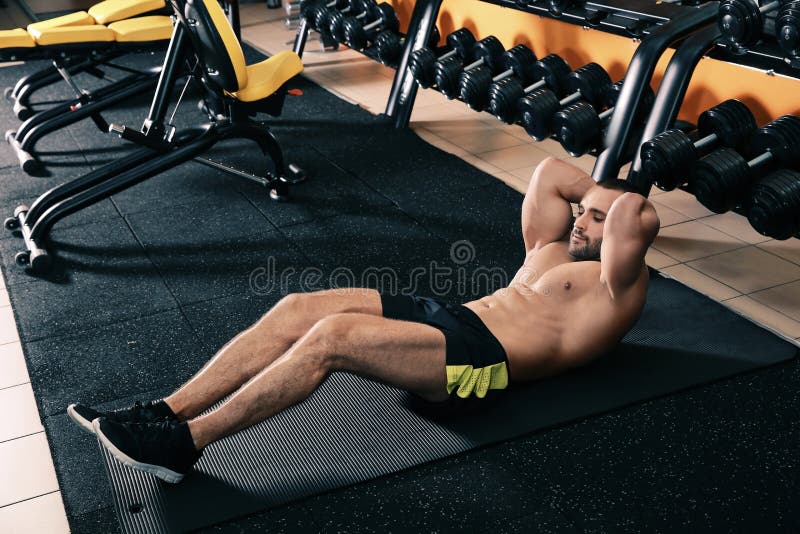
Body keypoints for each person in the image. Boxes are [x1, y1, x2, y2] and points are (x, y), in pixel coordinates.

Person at [68, 157, 660, 484]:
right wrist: (596, 193)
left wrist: (630, 185)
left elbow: (633, 211)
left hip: (482, 365)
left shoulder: (617, 286)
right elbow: (549, 170)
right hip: (452, 320)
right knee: (299, 307)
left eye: (596, 218)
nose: (581, 220)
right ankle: (165, 413)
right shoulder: (552, 246)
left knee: (332, 338)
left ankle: (185, 445)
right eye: (583, 210)